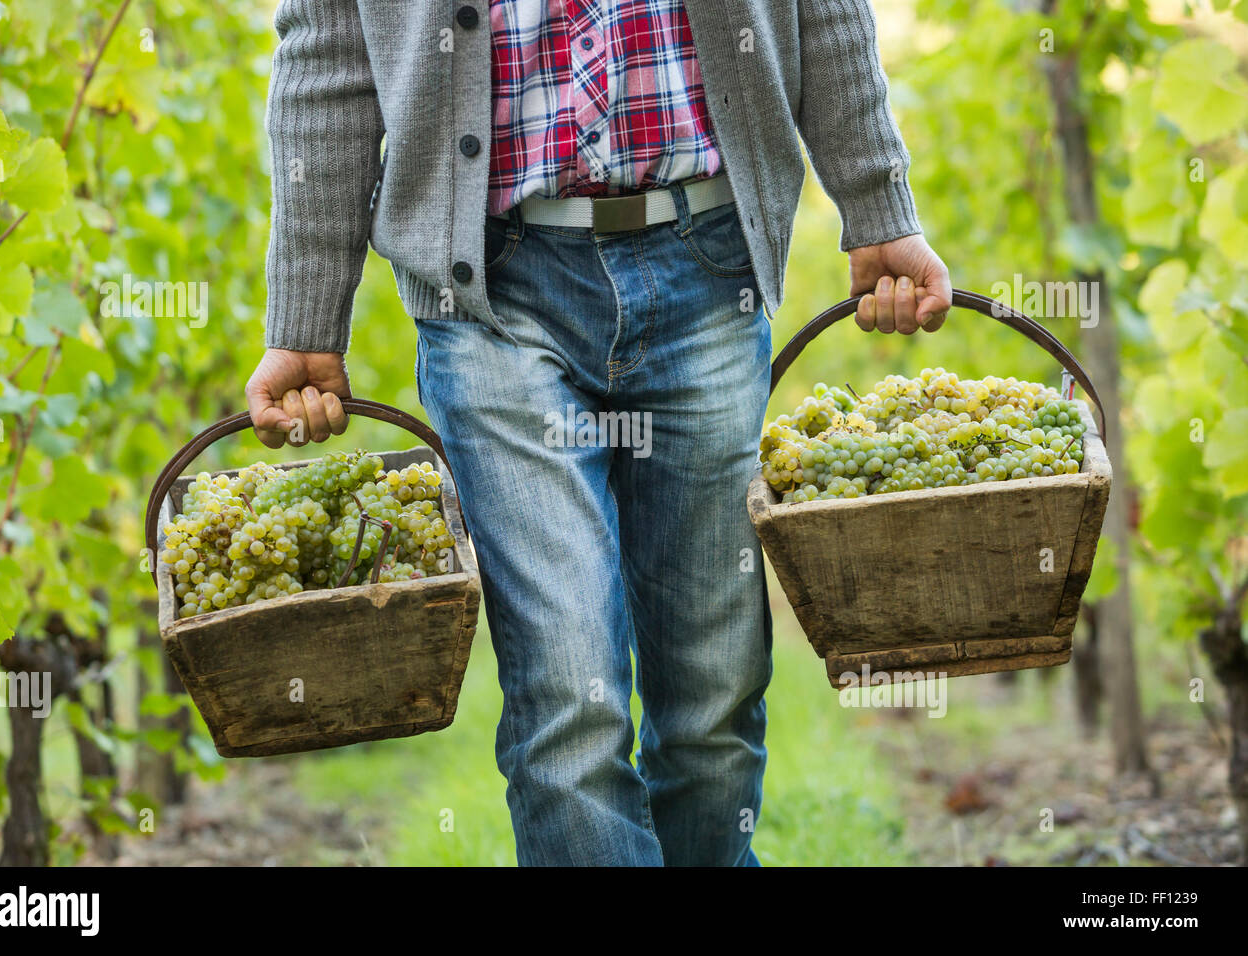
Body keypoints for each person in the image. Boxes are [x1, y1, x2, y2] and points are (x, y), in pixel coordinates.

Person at [245, 0, 951, 866]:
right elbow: (329, 51)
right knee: (567, 696)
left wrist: (879, 206)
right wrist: (306, 318)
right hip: (489, 297)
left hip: (710, 270)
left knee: (712, 698)